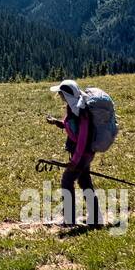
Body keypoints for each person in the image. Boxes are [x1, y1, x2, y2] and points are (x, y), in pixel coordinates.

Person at [45, 79, 103, 227]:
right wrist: (57, 122)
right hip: (84, 154)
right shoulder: (74, 107)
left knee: (67, 181)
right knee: (84, 181)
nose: (59, 96)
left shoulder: (81, 112)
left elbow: (82, 139)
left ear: (66, 94)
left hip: (82, 154)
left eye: (61, 94)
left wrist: (74, 161)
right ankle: (96, 219)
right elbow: (71, 125)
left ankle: (69, 219)